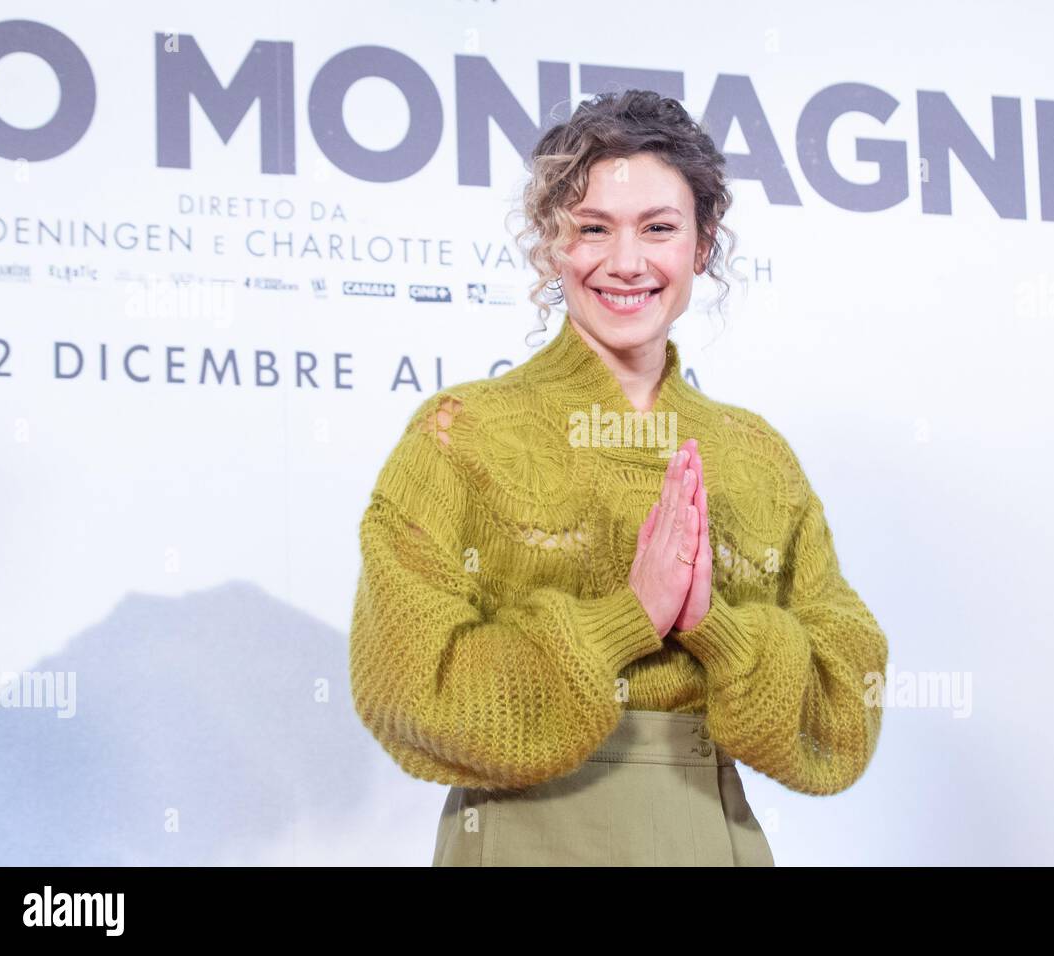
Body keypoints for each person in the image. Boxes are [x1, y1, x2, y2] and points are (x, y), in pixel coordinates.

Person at [348, 89, 889, 866]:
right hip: (520, 837)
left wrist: (714, 626)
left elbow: (845, 714)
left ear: (703, 245)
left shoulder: (756, 457)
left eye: (659, 229)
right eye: (592, 229)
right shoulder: (458, 435)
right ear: (551, 245)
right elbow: (408, 690)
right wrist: (629, 617)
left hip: (706, 835)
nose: (626, 262)